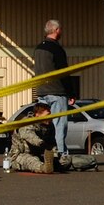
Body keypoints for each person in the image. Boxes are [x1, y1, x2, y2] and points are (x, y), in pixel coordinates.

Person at [33, 21, 77, 156]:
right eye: (60, 29)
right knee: (60, 125)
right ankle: (61, 153)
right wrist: (71, 92)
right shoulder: (56, 48)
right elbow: (63, 72)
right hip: (56, 91)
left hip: (41, 91)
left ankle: (45, 151)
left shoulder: (38, 49)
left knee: (44, 124)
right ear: (56, 30)